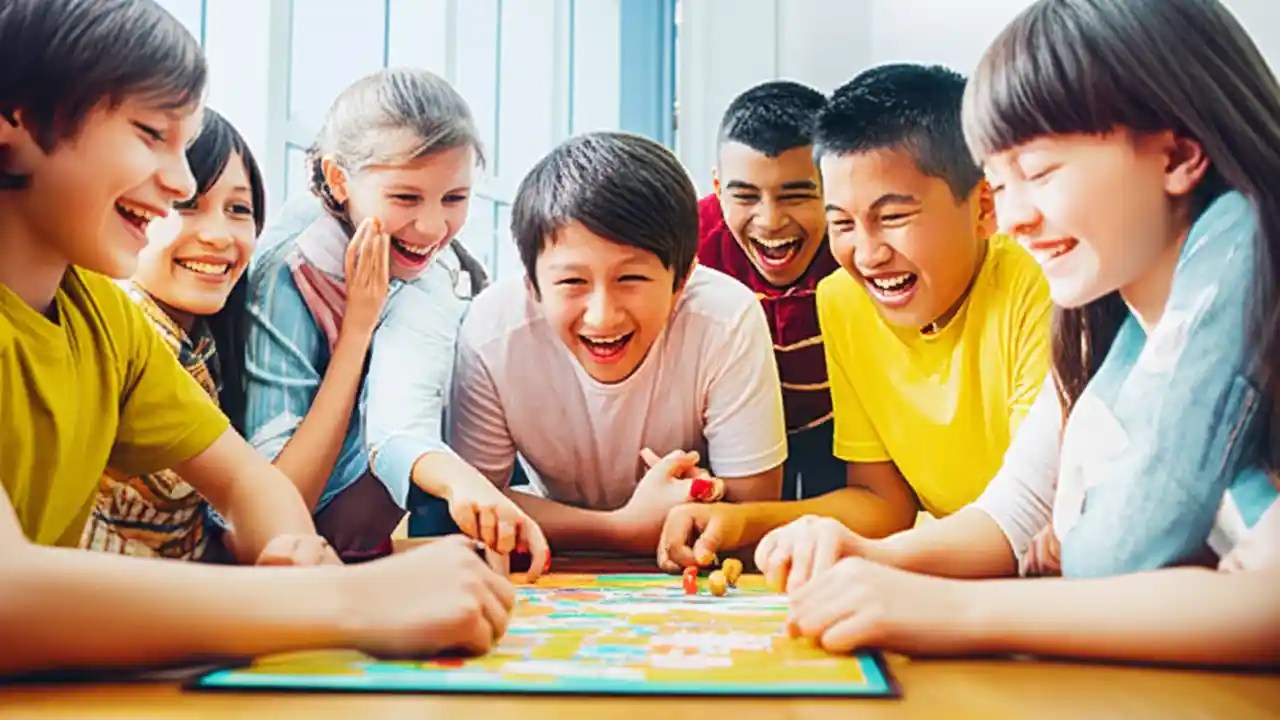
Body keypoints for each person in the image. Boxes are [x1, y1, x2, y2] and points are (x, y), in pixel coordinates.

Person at [757, 0, 1280, 668]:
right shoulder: (1100, 335)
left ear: (1177, 153)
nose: (1012, 218)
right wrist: (867, 558)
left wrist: (955, 613)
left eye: (1038, 174)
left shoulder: (1255, 303)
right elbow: (1012, 513)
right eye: (1001, 183)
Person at [0, 0, 514, 674]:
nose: (180, 180)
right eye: (151, 133)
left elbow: (250, 483)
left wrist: (297, 557)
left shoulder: (106, 320)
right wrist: (346, 603)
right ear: (16, 118)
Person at [659, 64, 1050, 572]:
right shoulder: (842, 299)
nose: (866, 255)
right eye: (841, 222)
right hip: (965, 567)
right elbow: (880, 502)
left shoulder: (1037, 282)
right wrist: (745, 522)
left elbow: (1034, 511)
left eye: (892, 218)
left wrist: (872, 558)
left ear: (982, 206)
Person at [244, 68, 547, 569]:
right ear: (339, 179)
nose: (431, 227)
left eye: (455, 198)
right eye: (405, 198)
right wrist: (357, 330)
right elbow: (273, 506)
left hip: (398, 530)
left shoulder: (441, 269)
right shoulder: (292, 271)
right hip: (299, 552)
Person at [446, 131, 787, 555]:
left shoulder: (726, 318)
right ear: (532, 283)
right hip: (554, 569)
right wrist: (622, 529)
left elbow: (750, 507)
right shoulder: (492, 332)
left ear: (682, 279)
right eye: (572, 281)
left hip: (688, 563)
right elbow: (473, 509)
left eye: (631, 279)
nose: (602, 316)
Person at [697, 80, 842, 500]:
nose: (770, 221)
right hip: (728, 430)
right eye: (745, 196)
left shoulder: (859, 244)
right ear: (718, 187)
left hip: (838, 427)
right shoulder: (688, 243)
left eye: (796, 195)